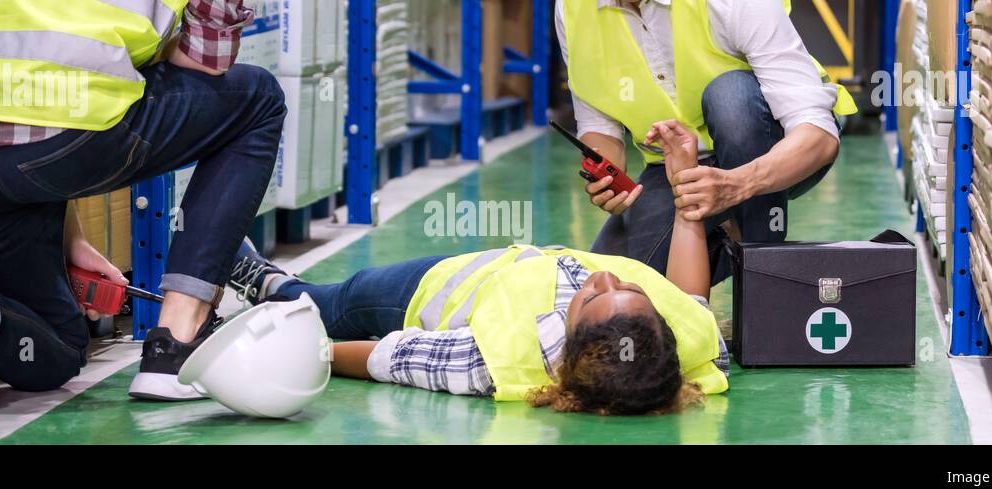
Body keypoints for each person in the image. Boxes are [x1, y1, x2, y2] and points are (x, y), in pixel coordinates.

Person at [0, 0, 285, 430]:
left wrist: (72, 239)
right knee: (258, 101)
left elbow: (34, 49)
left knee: (60, 349)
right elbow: (205, 60)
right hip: (57, 125)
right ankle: (175, 344)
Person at [228, 120, 728, 415]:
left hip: (434, 290)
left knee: (332, 304)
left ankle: (271, 284)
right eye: (630, 288)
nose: (605, 277)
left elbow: (389, 355)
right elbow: (692, 302)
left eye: (595, 297)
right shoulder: (682, 345)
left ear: (567, 345)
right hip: (521, 263)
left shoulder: (491, 362)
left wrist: (308, 351)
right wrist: (682, 179)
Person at [556, 0, 854, 282]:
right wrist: (608, 173)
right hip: (675, 168)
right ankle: (724, 234)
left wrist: (737, 185)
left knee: (730, 97)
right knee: (611, 283)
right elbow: (598, 123)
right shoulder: (572, 10)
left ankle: (759, 276)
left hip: (774, 144)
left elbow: (818, 136)